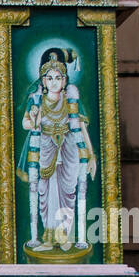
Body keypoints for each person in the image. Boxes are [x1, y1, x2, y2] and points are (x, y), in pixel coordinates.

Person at [18, 46, 98, 252]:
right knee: (46, 193)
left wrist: (91, 155)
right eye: (49, 77)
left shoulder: (71, 99)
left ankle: (64, 236)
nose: (54, 81)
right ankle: (47, 237)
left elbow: (81, 127)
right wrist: (34, 116)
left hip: (70, 151)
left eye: (58, 77)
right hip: (44, 151)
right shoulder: (36, 100)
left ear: (64, 80)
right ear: (43, 81)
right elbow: (26, 124)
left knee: (67, 194)